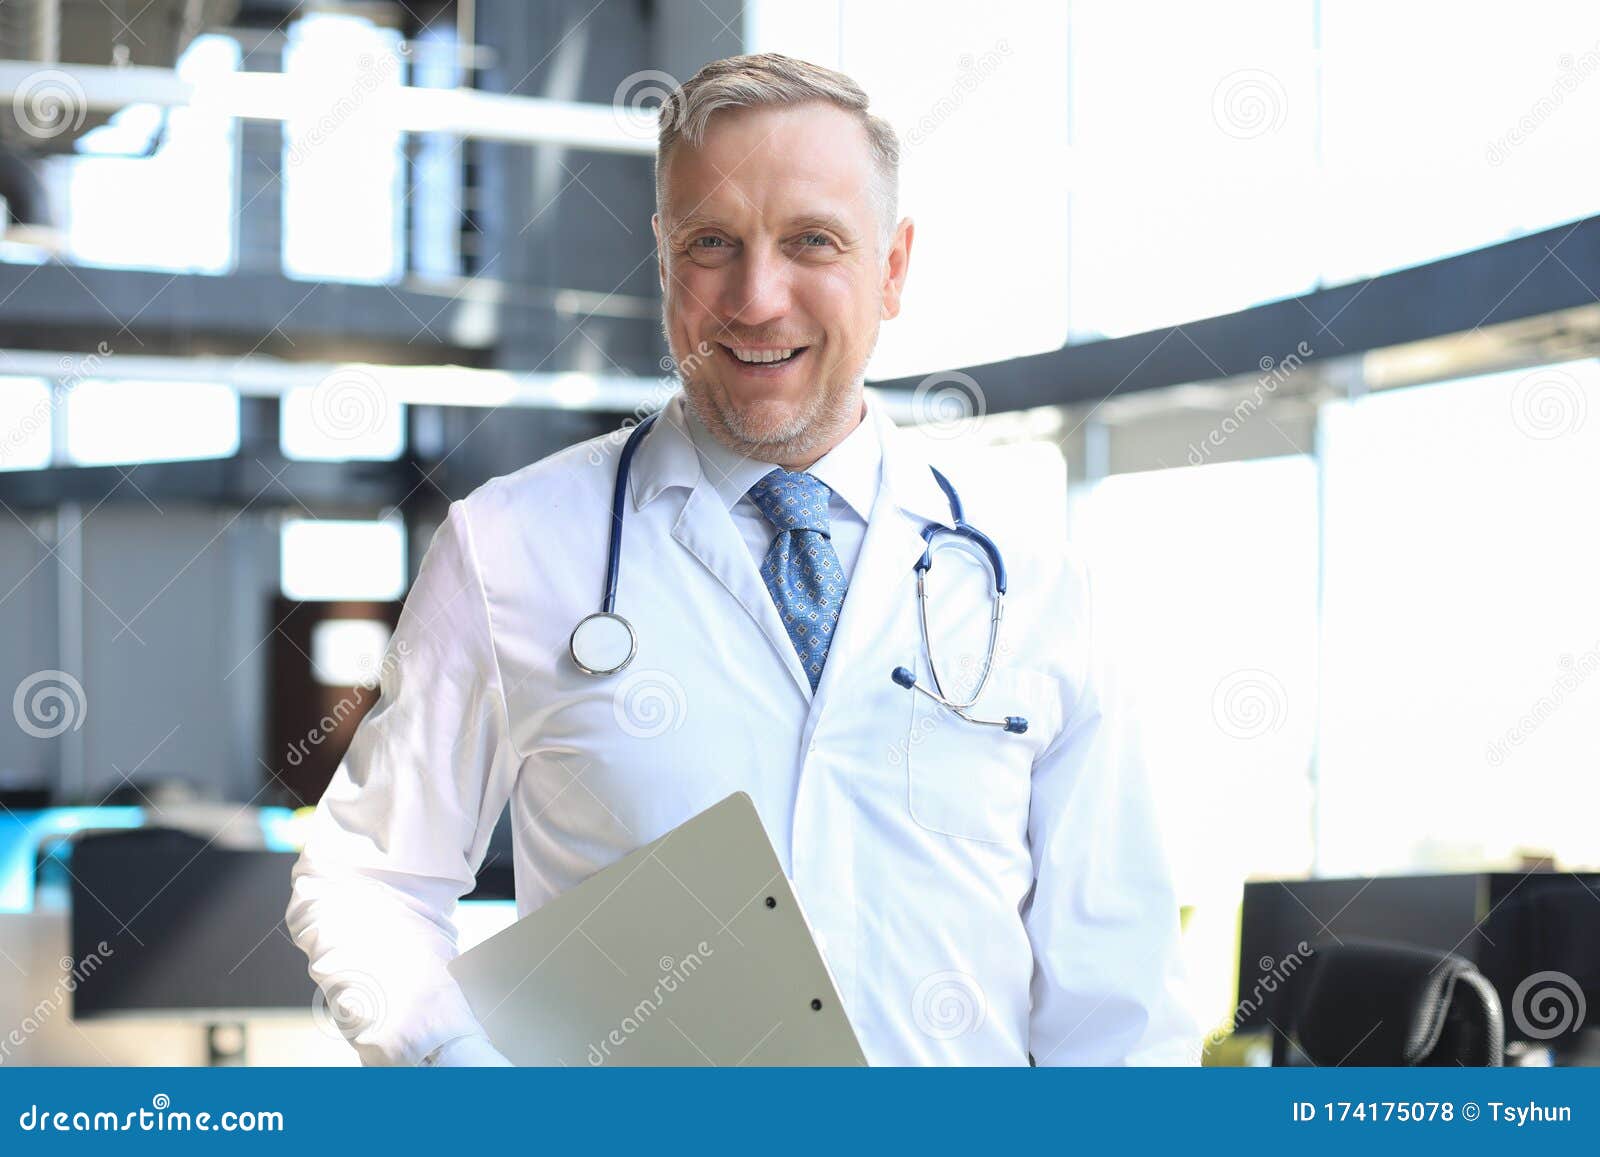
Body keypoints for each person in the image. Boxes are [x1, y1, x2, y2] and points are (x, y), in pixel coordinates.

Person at [286, 52, 1197, 1067]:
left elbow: (1118, 999)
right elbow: (369, 874)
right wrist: (464, 1078)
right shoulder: (511, 547)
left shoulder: (1034, 579)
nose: (757, 299)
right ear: (664, 261)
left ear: (893, 268)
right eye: (712, 243)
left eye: (812, 241)